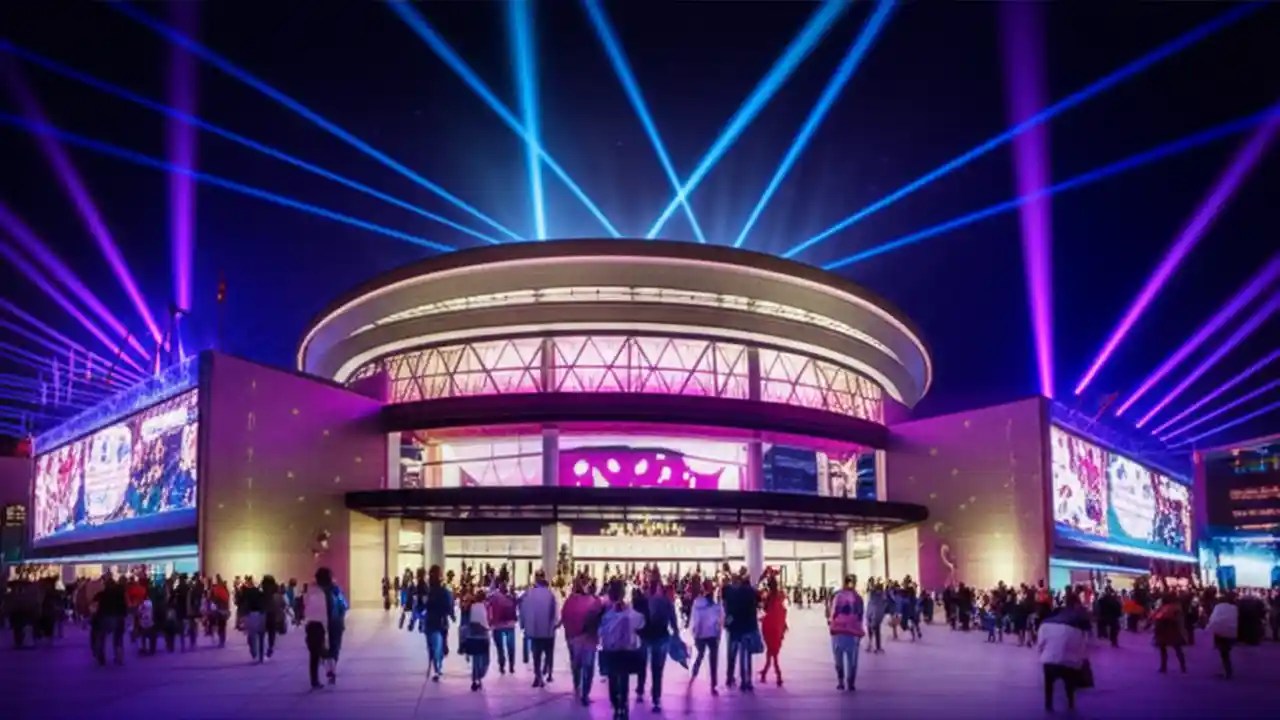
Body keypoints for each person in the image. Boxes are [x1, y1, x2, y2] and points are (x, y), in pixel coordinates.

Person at [599, 580, 645, 720]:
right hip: (625, 648)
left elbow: (601, 627)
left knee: (614, 677)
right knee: (622, 677)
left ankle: (617, 704)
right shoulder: (624, 609)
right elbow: (640, 622)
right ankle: (622, 705)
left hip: (612, 649)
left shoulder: (606, 607)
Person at [1037, 591, 1090, 712]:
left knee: (1048, 682)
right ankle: (1071, 703)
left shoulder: (1046, 625)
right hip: (1069, 661)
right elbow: (1081, 647)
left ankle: (1048, 704)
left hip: (1049, 660)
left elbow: (1040, 645)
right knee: (1069, 683)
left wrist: (1043, 653)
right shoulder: (1076, 629)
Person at [634, 577, 679, 711]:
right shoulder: (666, 602)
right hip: (661, 637)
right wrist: (676, 633)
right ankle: (656, 698)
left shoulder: (642, 601)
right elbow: (673, 619)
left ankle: (640, 690)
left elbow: (636, 620)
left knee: (642, 665)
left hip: (645, 637)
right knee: (657, 669)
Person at [302, 567, 348, 688]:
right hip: (333, 624)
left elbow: (305, 606)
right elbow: (344, 605)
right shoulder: (335, 590)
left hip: (315, 625)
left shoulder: (311, 591)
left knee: (315, 654)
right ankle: (331, 670)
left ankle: (315, 679)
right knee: (333, 648)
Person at [561, 575, 604, 706]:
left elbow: (565, 618)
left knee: (577, 664)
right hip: (588, 638)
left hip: (575, 638)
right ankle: (584, 693)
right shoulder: (595, 601)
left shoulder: (570, 601)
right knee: (588, 666)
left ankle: (577, 685)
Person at [722, 568, 759, 692]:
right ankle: (746, 681)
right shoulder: (750, 592)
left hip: (734, 628)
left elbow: (729, 610)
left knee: (732, 654)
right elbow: (754, 609)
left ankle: (731, 677)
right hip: (747, 627)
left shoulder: (731, 593)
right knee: (746, 655)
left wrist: (727, 623)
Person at [522, 570, 559, 688]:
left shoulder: (529, 594)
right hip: (548, 631)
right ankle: (545, 673)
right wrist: (555, 625)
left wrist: (524, 625)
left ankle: (538, 676)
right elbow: (554, 612)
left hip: (535, 631)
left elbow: (523, 610)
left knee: (536, 656)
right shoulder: (550, 594)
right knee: (548, 654)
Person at [828, 574, 865, 692]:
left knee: (838, 658)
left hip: (838, 632)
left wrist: (831, 625)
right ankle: (851, 683)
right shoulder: (858, 598)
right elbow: (860, 616)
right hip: (853, 633)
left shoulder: (837, 596)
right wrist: (859, 632)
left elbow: (832, 613)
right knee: (852, 660)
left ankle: (840, 682)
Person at [689, 579, 724, 695]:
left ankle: (695, 671)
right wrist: (719, 633)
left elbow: (695, 619)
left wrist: (695, 632)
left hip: (701, 634)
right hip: (712, 634)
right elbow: (720, 618)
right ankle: (713, 684)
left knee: (701, 653)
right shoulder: (715, 602)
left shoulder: (697, 602)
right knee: (713, 659)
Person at [422, 565, 455, 682]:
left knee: (434, 646)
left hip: (433, 622)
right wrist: (451, 614)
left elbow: (423, 606)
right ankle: (437, 667)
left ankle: (436, 667)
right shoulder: (440, 591)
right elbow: (448, 606)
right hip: (438, 622)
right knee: (437, 646)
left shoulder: (430, 591)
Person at [759, 577, 788, 686]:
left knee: (771, 652)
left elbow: (765, 609)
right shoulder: (780, 596)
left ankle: (773, 674)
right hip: (778, 627)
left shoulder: (769, 598)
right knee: (773, 652)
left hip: (769, 627)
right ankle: (772, 674)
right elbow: (783, 610)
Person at [487, 579, 519, 675]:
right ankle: (511, 666)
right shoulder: (511, 597)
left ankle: (502, 665)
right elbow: (517, 604)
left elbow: (488, 605)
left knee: (500, 648)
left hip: (497, 625)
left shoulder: (493, 596)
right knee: (511, 647)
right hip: (510, 624)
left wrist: (489, 622)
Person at [1151, 593, 1187, 674]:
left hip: (1162, 630)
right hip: (1173, 630)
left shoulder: (1161, 608)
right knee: (1177, 649)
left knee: (1163, 649)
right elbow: (1179, 621)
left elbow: (1154, 617)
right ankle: (1183, 666)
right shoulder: (1176, 608)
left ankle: (1163, 667)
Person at [1206, 592, 1239, 679]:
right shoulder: (1234, 608)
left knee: (1224, 653)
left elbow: (1213, 619)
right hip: (1231, 632)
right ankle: (1227, 670)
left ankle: (1227, 671)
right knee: (1225, 652)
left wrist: (1209, 627)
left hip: (1220, 632)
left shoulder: (1219, 607)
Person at [465, 588, 492, 691]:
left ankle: (475, 679)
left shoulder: (472, 607)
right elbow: (488, 621)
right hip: (483, 635)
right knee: (485, 659)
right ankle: (479, 677)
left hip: (473, 636)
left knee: (476, 659)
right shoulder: (485, 606)